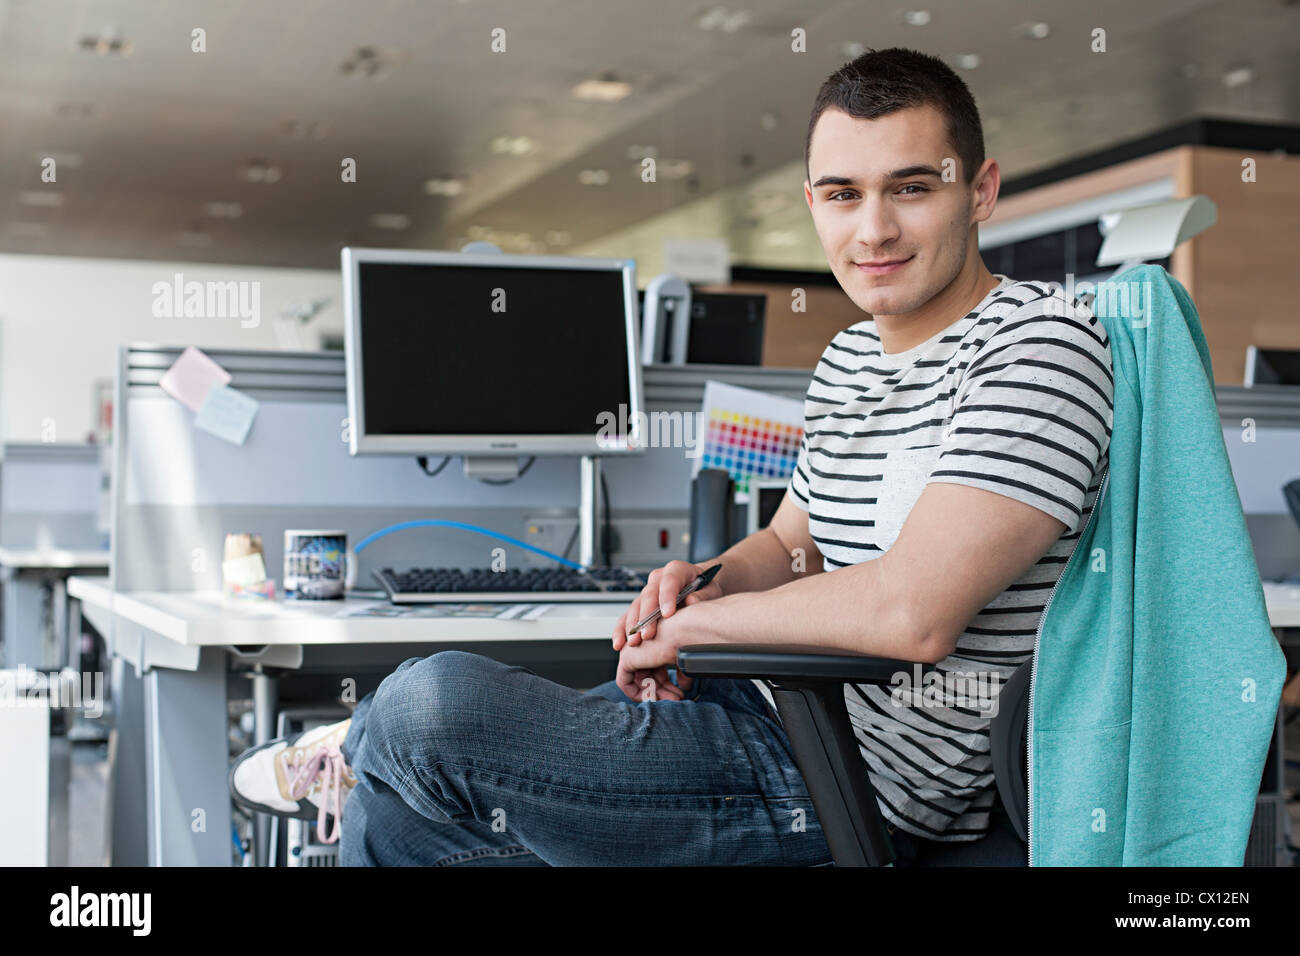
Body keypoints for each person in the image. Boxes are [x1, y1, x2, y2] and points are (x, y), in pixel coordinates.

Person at [229, 46, 1113, 866]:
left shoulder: (1038, 348)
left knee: (429, 708)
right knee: (393, 813)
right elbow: (792, 546)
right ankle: (365, 755)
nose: (873, 228)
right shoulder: (849, 358)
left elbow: (912, 613)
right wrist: (706, 582)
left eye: (910, 188)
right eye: (843, 194)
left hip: (861, 780)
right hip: (759, 706)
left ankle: (357, 740)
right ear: (813, 203)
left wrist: (693, 633)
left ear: (982, 189)